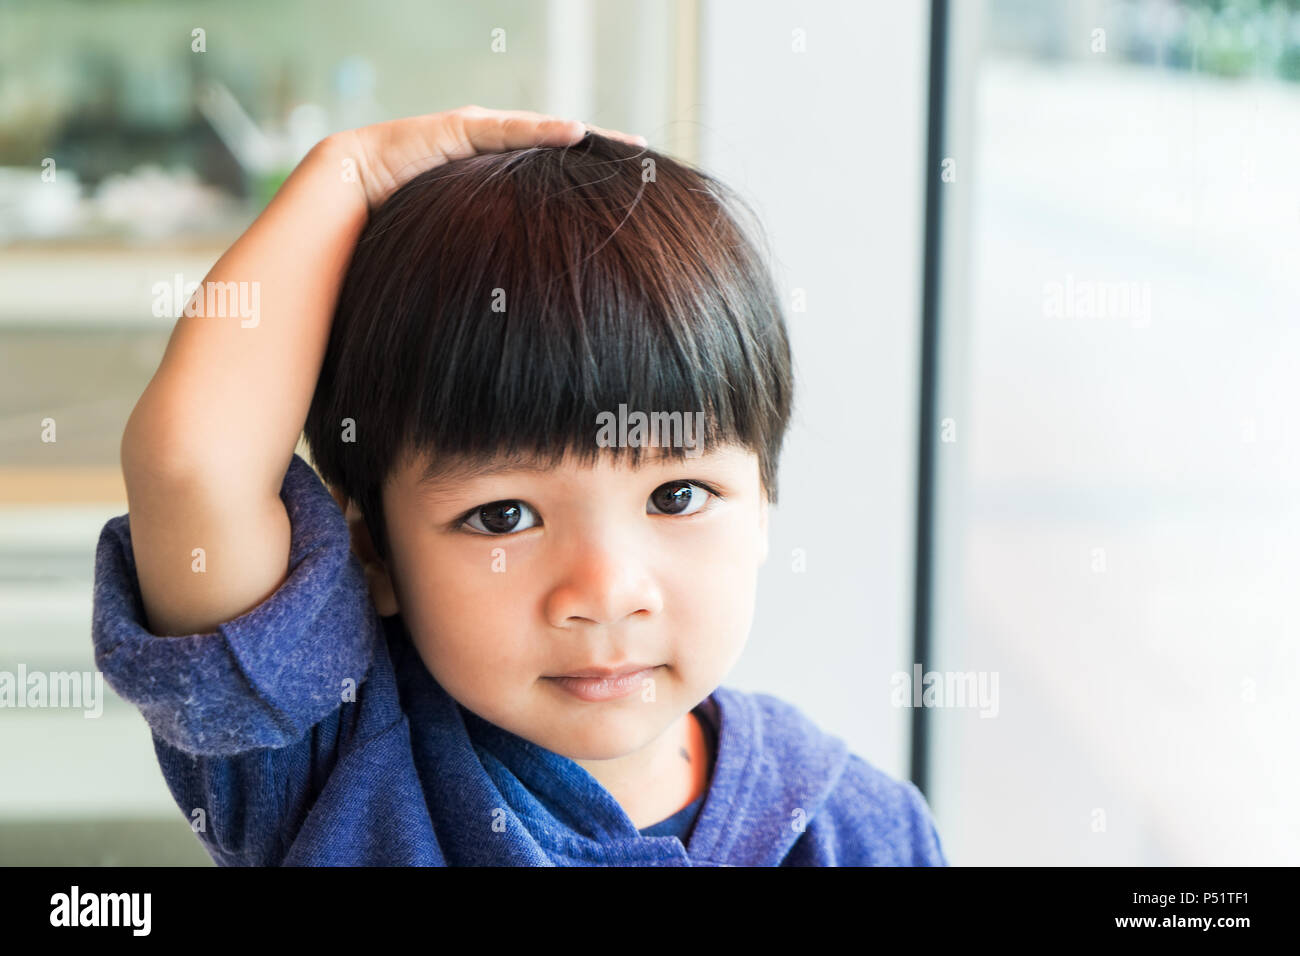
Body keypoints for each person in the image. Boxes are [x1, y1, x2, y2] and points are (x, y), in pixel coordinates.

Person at [92, 105, 948, 866]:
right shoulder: (333, 753)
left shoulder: (858, 830)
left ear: (763, 499)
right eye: (503, 515)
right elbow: (191, 465)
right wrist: (346, 175)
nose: (605, 594)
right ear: (374, 552)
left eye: (678, 495)